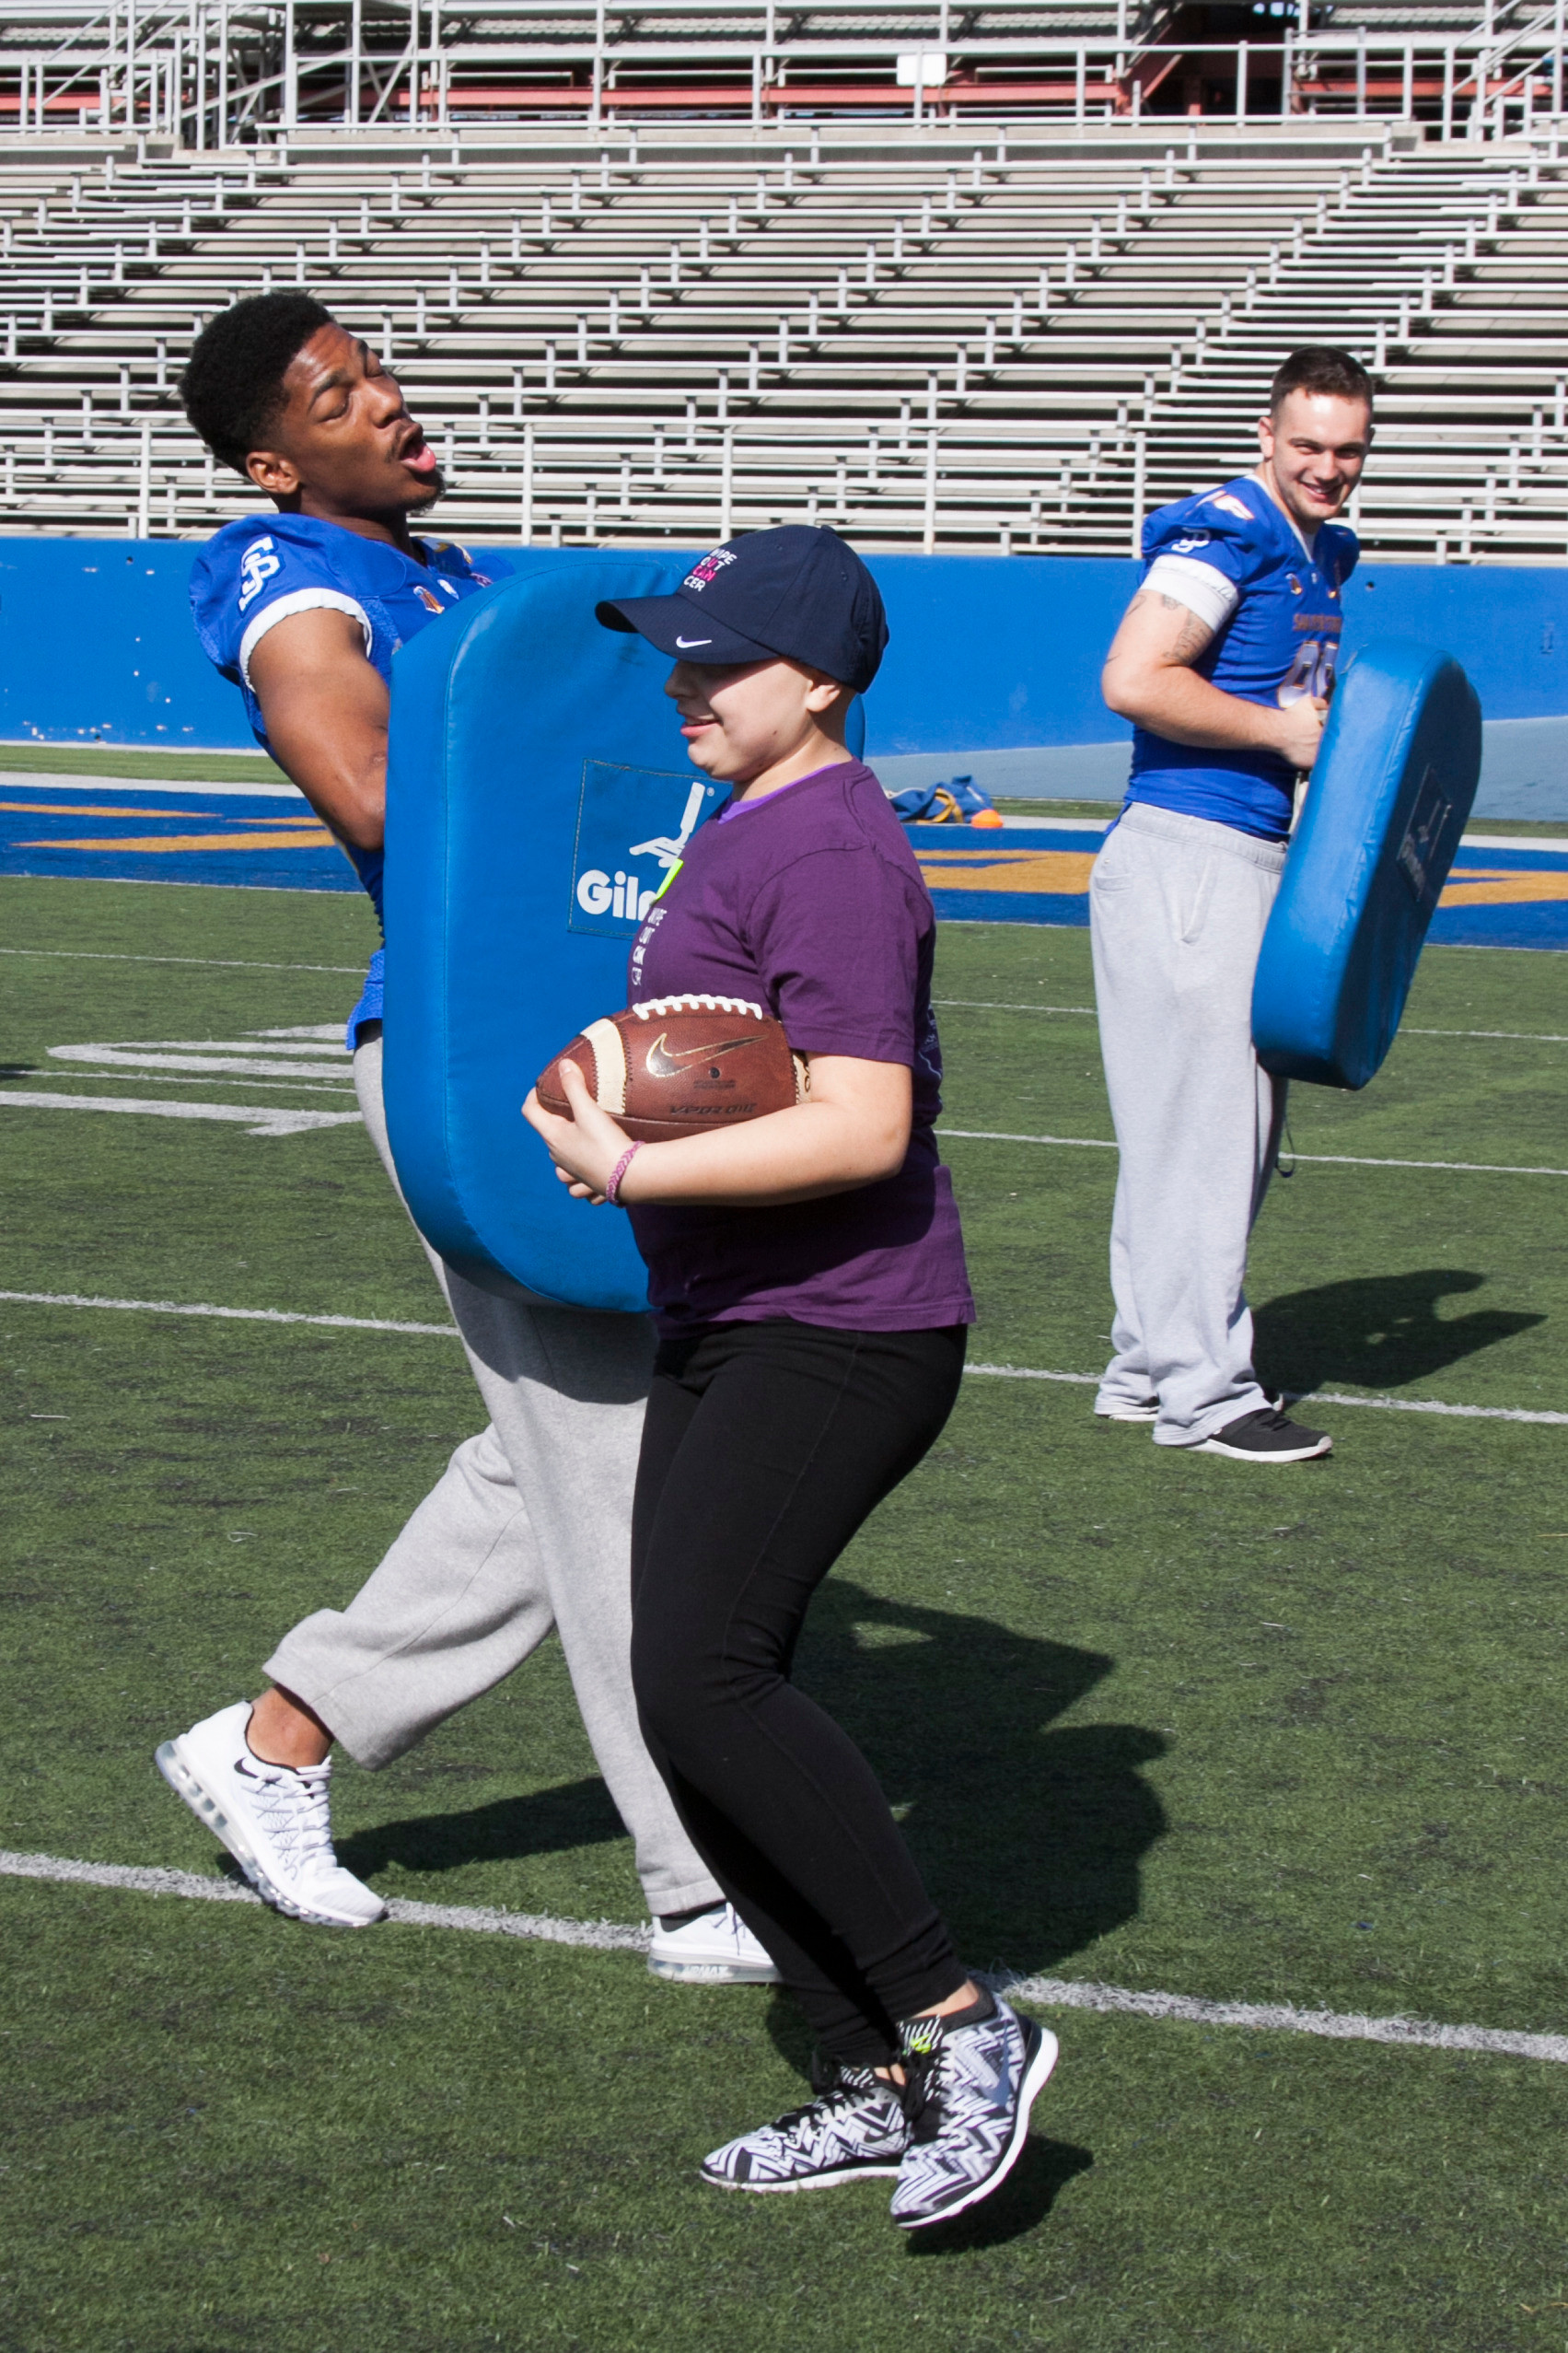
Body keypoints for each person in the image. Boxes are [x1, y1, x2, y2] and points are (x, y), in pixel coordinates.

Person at [154, 292, 775, 1988]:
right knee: (618, 1460)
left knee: (553, 1444)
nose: (392, 407)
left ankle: (276, 1744)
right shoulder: (296, 577)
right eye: (342, 398)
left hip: (571, 1040)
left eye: (382, 375)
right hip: (465, 1058)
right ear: (278, 459)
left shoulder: (454, 577)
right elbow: (354, 772)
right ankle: (703, 1880)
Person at [524, 525, 1058, 2231]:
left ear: (818, 681)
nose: (682, 678)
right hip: (742, 1312)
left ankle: (959, 2028)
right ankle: (868, 2076)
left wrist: (636, 1172)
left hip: (844, 1326)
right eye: (675, 651)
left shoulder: (826, 843)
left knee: (703, 1677)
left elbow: (862, 1121)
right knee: (680, 1693)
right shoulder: (748, 816)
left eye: (719, 659)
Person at [1092, 345, 1373, 1463]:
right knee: (1206, 1136)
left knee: (1198, 1136)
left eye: (1347, 449)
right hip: (1188, 857)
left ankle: (1137, 1365)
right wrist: (1277, 733)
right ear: (1267, 435)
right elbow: (1133, 677)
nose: (1327, 468)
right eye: (1306, 444)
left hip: (1239, 859)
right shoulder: (1228, 534)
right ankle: (1203, 1396)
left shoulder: (1319, 549)